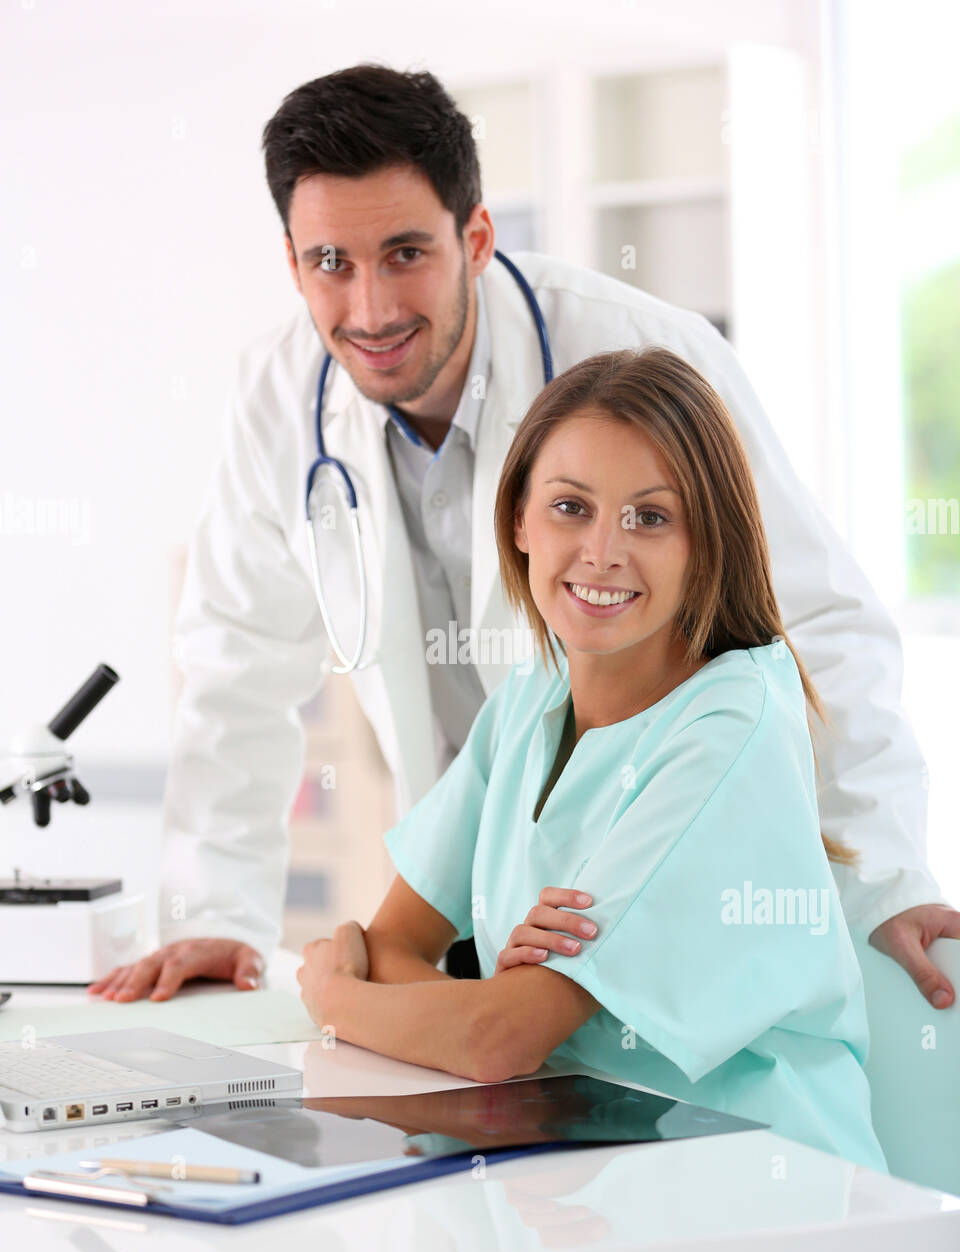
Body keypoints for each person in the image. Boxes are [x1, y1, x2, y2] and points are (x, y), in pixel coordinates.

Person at [88, 64, 957, 1007]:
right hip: (477, 896)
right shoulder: (278, 395)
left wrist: (884, 879)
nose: (371, 309)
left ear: (478, 236)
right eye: (331, 263)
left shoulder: (636, 354)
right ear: (293, 262)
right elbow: (236, 666)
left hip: (656, 884)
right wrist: (216, 912)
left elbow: (817, 623)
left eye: (407, 252)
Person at [294, 347, 887, 1171]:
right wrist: (489, 1012)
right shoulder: (534, 694)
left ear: (705, 543)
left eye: (650, 517)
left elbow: (492, 1041)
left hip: (759, 1178)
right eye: (571, 507)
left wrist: (335, 999)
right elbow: (398, 944)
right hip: (579, 1156)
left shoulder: (729, 725)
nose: (603, 552)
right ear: (519, 523)